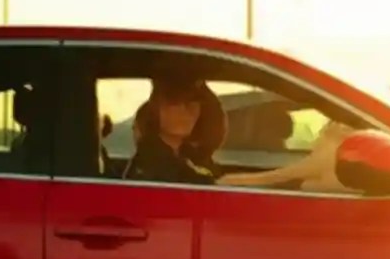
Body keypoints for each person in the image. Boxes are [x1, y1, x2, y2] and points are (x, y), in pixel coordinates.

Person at [124, 74, 354, 191]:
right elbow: (219, 188)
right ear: (155, 108)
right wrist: (308, 168)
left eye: (194, 102)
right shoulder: (155, 162)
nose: (188, 111)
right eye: (175, 101)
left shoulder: (184, 155)